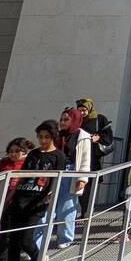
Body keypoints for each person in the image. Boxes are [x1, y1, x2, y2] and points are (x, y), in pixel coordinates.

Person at [0, 121, 65, 261]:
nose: (43, 140)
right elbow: (22, 176)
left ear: (53, 137)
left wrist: (51, 194)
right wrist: (9, 198)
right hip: (20, 198)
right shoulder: (33, 154)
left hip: (38, 202)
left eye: (46, 137)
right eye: (40, 137)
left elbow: (57, 180)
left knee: (25, 238)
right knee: (13, 242)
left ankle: (39, 258)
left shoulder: (58, 156)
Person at [42, 106, 91, 251]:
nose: (62, 122)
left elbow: (85, 159)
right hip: (53, 172)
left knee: (67, 206)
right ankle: (39, 240)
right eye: (61, 119)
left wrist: (82, 178)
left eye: (66, 120)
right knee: (45, 208)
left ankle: (65, 239)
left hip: (70, 172)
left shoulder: (83, 136)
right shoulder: (55, 135)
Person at [75, 97, 114, 220]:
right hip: (77, 158)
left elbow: (109, 138)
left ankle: (87, 212)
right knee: (78, 188)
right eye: (79, 110)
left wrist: (98, 138)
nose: (82, 112)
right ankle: (83, 212)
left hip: (91, 159)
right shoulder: (76, 120)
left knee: (89, 187)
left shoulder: (99, 119)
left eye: (84, 109)